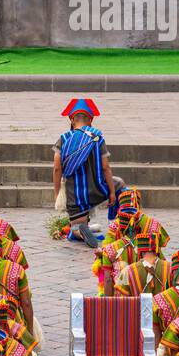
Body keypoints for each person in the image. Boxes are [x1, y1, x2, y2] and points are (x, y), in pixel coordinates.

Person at [52, 97, 114, 249]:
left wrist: (57, 192)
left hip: (74, 194)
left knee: (74, 230)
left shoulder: (64, 139)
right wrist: (111, 192)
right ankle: (117, 227)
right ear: (91, 121)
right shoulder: (97, 138)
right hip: (96, 192)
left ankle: (79, 229)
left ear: (72, 120)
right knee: (121, 186)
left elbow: (57, 168)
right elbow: (106, 167)